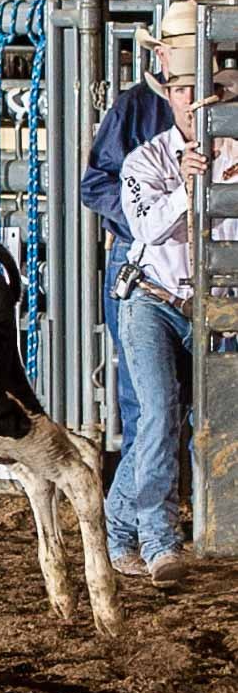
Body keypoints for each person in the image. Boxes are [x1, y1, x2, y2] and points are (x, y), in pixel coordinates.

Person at [108, 45, 238, 587]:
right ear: (170, 98)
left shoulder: (235, 154)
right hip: (154, 298)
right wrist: (190, 190)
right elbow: (144, 229)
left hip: (213, 302)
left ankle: (116, 526)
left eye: (202, 90)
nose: (192, 100)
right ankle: (161, 544)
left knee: (175, 424)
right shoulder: (146, 159)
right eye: (182, 90)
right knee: (160, 417)